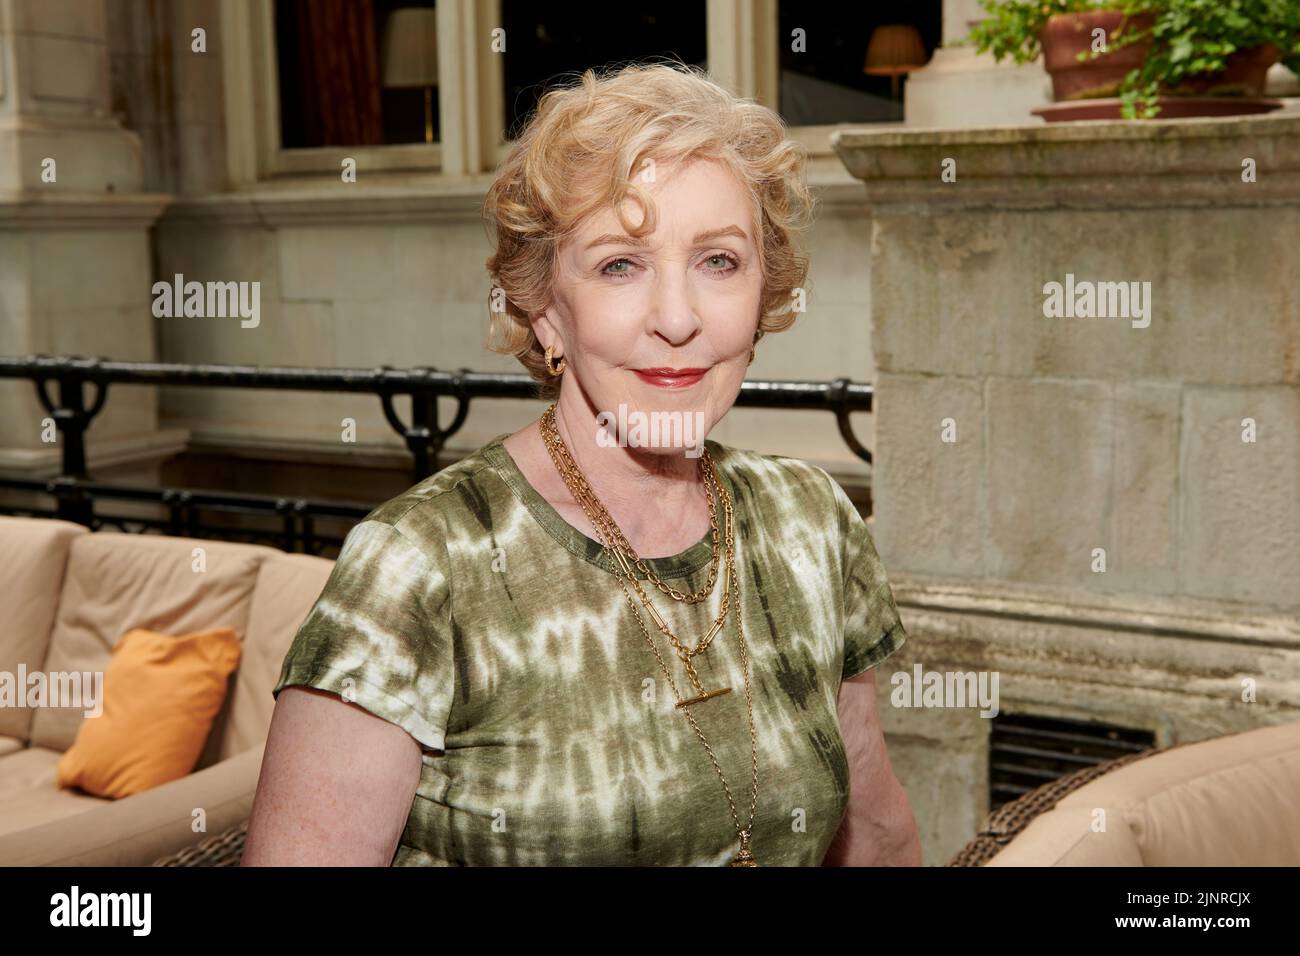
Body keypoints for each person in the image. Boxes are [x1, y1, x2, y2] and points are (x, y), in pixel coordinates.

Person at [242, 61, 919, 867]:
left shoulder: (811, 523)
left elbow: (875, 832)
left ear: (764, 295)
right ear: (545, 311)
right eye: (619, 266)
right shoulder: (423, 567)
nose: (677, 319)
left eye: (719, 261)